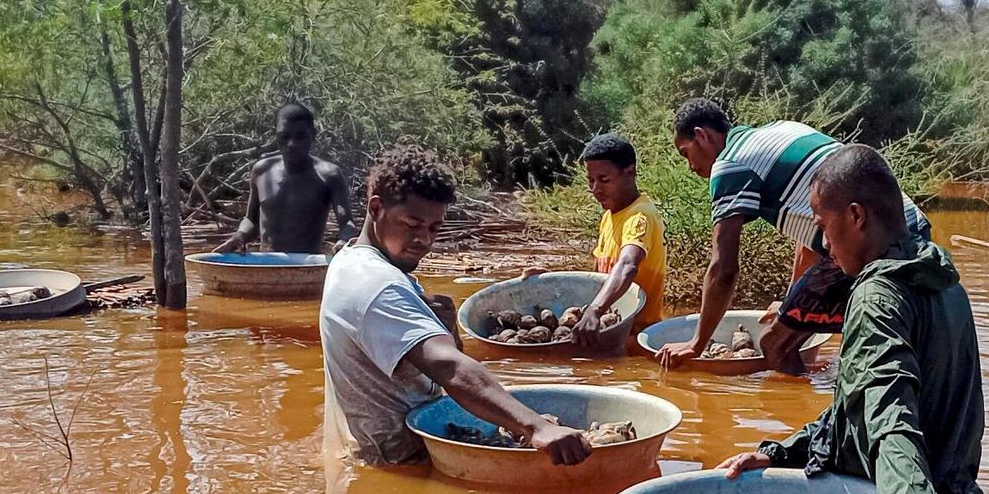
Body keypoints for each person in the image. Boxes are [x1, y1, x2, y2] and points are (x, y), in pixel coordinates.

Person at [718, 144, 989, 494]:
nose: (824, 244)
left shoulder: (875, 297)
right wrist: (779, 453)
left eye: (823, 225)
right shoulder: (941, 282)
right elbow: (858, 407)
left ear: (857, 216)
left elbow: (890, 412)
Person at [319, 143, 590, 469]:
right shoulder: (378, 284)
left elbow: (439, 359)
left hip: (366, 455)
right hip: (400, 463)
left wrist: (444, 328)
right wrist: (536, 427)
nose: (424, 240)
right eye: (412, 224)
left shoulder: (349, 259)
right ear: (376, 209)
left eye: (434, 228)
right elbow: (450, 367)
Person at [661, 98, 930, 374]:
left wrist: (696, 343)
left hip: (870, 244)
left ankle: (809, 395)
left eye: (685, 154)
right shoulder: (781, 130)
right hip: (911, 228)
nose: (690, 167)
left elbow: (723, 269)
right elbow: (809, 240)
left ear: (701, 136)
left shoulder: (729, 164)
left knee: (775, 344)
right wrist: (789, 303)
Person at [216, 102, 355, 254]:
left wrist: (343, 242)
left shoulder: (329, 175)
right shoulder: (262, 171)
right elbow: (251, 220)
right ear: (275, 134)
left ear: (313, 135)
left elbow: (347, 223)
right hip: (266, 263)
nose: (292, 144)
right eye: (285, 136)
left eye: (300, 137)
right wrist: (239, 237)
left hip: (307, 264)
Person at [572, 133, 665, 348]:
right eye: (591, 180)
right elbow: (597, 279)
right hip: (608, 331)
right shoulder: (608, 216)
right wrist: (547, 280)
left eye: (604, 180)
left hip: (635, 337)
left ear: (630, 172)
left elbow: (627, 265)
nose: (596, 189)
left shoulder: (640, 216)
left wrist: (595, 310)